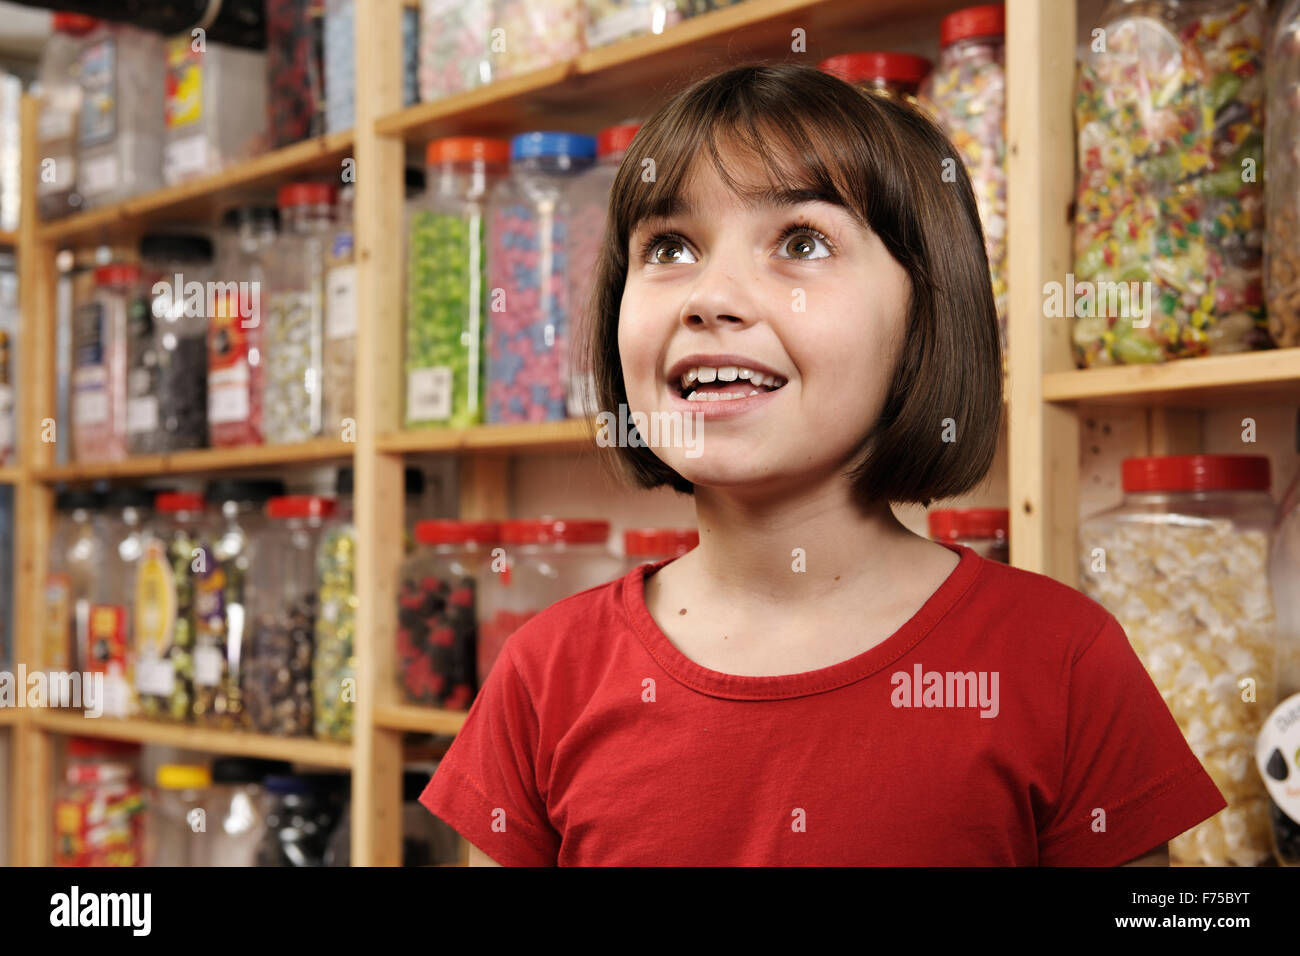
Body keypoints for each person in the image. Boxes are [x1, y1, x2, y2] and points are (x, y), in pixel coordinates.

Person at [419, 63, 1225, 866]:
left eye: (802, 241)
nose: (711, 296)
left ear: (924, 315)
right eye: (669, 247)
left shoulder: (1065, 660)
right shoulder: (544, 669)